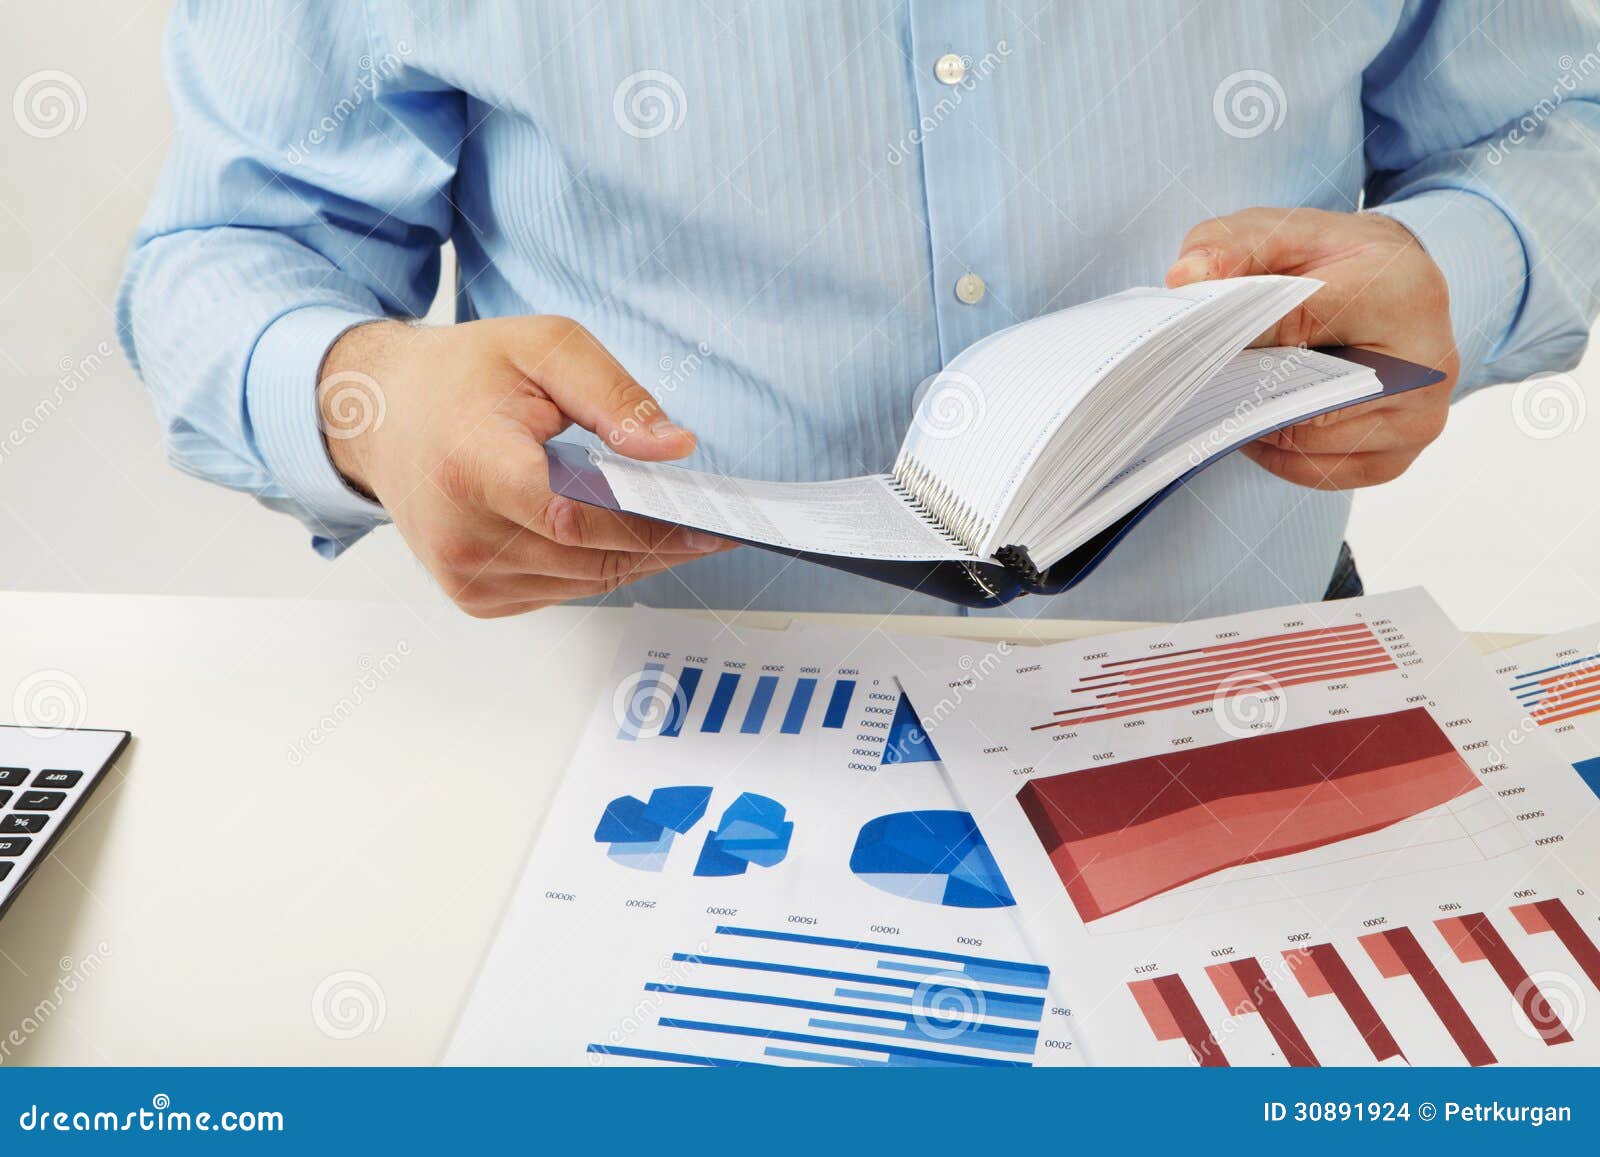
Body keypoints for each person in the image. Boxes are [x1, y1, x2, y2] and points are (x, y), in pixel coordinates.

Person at [119, 2, 1600, 620]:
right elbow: (231, 248)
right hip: (652, 748)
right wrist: (371, 401)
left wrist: (1455, 272)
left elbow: (1553, 126)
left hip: (1243, 684)